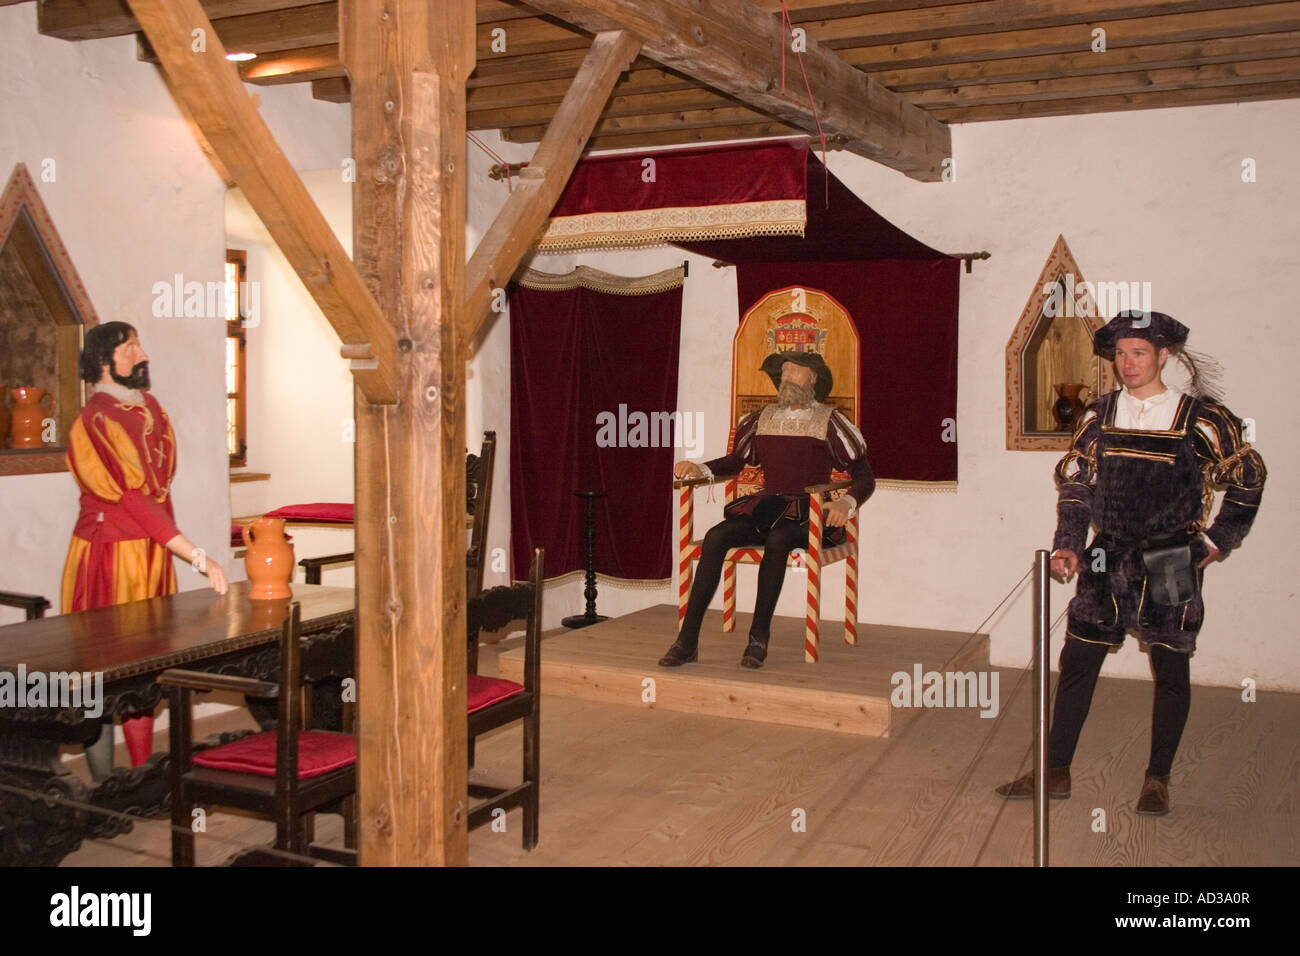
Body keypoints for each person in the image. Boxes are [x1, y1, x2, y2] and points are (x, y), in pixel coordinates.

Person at [997, 311, 1265, 815]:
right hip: (1107, 555)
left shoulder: (1202, 419)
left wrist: (1217, 539)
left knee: (1169, 667)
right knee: (1077, 662)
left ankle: (1157, 778)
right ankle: (1055, 770)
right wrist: (1070, 542)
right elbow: (1077, 485)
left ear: (1164, 356)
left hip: (1169, 559)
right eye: (1121, 354)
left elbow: (1249, 478)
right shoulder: (1098, 416)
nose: (1128, 363)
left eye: (1139, 353)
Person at [62, 321, 227, 780]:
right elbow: (131, 497)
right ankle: (103, 786)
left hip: (152, 549)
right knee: (100, 668)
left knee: (148, 661)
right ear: (103, 360)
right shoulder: (94, 418)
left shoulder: (149, 407)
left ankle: (140, 778)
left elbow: (158, 494)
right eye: (128, 346)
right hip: (110, 553)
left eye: (137, 343)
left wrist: (170, 543)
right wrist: (196, 554)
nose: (140, 353)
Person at [661, 350, 874, 669]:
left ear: (812, 378)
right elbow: (736, 461)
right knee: (716, 536)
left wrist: (846, 501)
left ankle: (758, 639)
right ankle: (686, 641)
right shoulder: (761, 418)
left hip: (810, 514)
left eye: (796, 370)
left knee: (779, 539)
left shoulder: (829, 420)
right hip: (767, 506)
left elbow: (864, 474)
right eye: (784, 370)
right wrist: (700, 468)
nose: (787, 375)